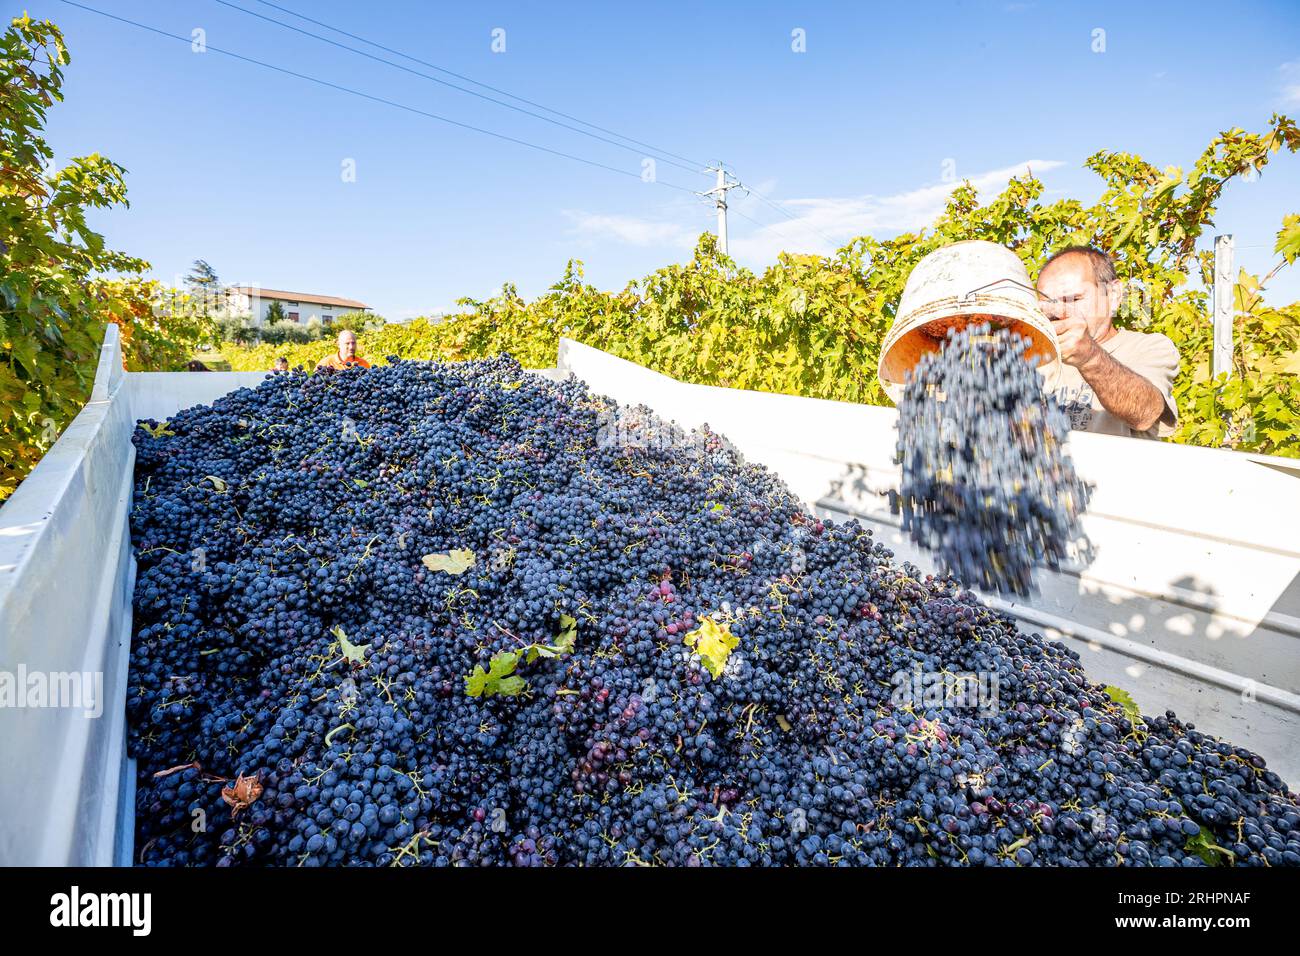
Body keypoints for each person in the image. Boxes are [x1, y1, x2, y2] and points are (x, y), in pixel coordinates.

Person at [1035, 246, 1179, 438]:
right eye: (1048, 304)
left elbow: (1145, 413)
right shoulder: (1037, 356)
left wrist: (1089, 358)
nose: (1058, 313)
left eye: (1073, 299)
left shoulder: (1149, 347)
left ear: (1113, 294)